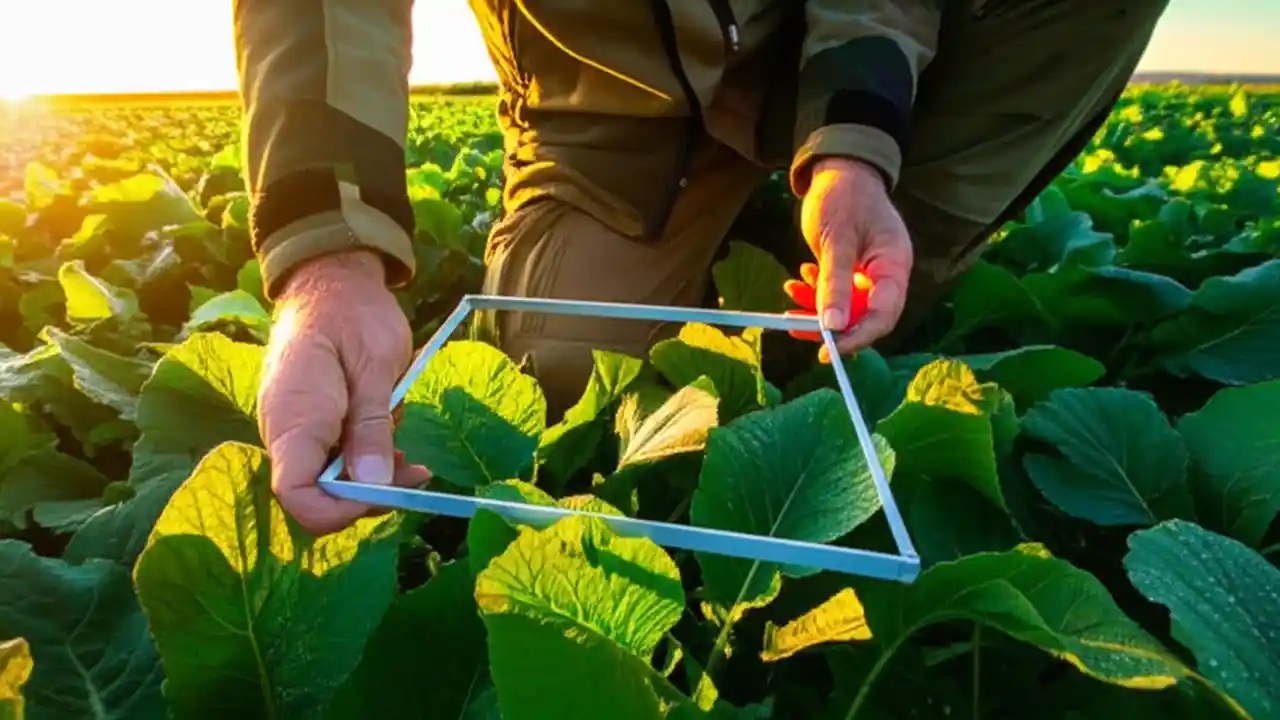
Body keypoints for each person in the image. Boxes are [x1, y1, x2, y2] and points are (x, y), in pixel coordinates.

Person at [234, 0, 1169, 536]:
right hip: (605, 103)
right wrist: (330, 260)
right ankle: (734, 259)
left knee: (830, 353)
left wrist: (854, 146)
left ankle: (847, 282)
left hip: (805, 43)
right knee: (563, 383)